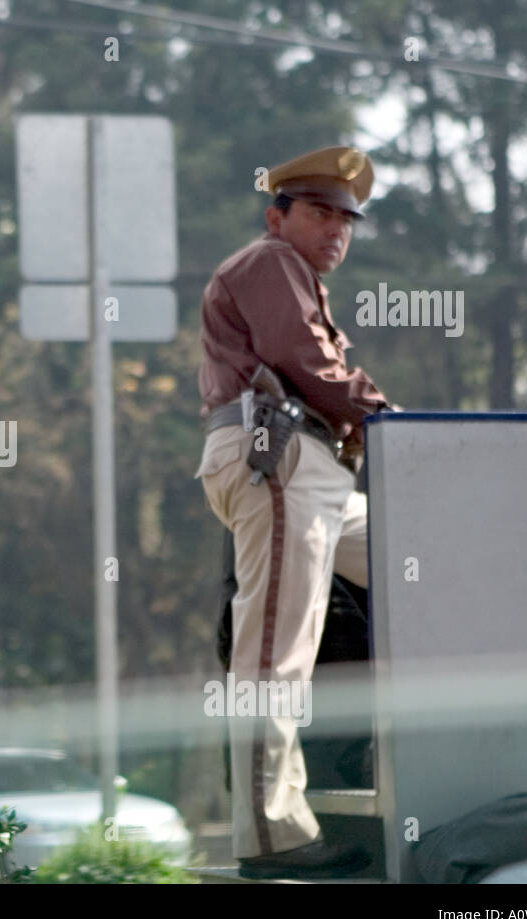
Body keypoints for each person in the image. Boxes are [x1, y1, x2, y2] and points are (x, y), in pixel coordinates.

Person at [194, 146, 394, 879]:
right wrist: (393, 417)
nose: (335, 230)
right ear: (277, 216)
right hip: (279, 460)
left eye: (346, 219)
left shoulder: (297, 276)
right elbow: (310, 364)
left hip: (315, 475)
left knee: (425, 561)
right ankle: (271, 837)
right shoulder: (271, 262)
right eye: (319, 212)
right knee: (274, 656)